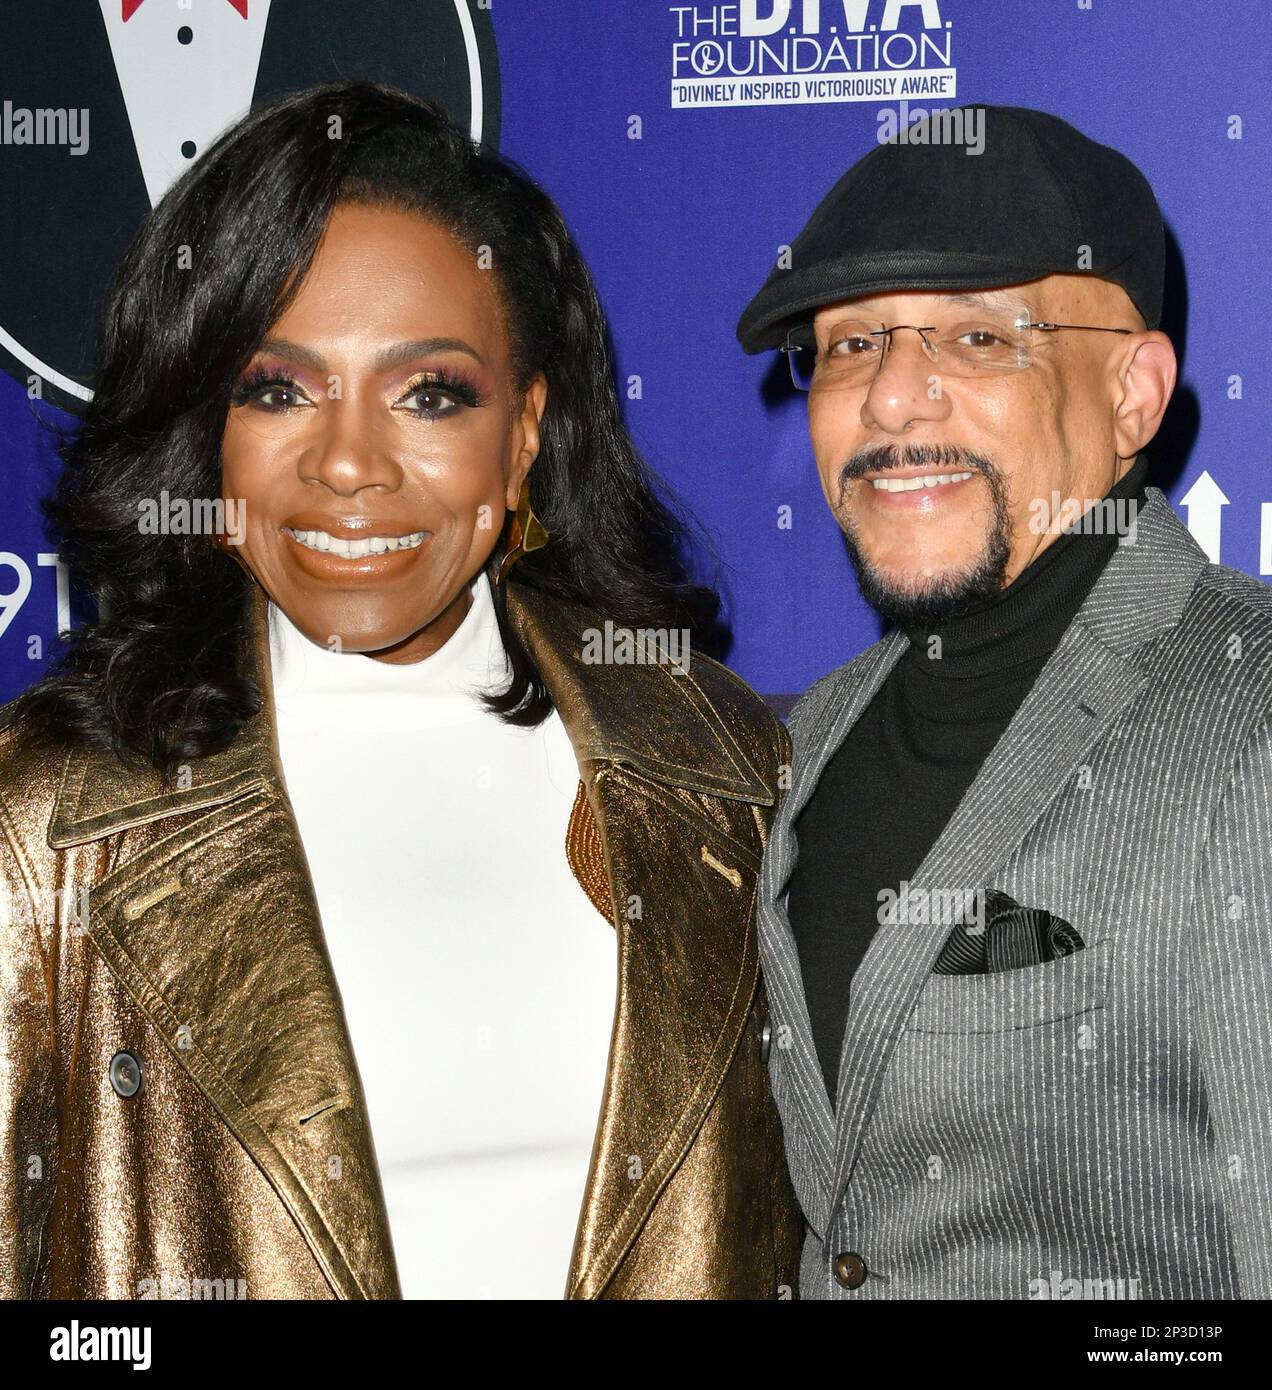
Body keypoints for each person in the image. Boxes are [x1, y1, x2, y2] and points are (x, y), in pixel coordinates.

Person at [0, 79, 803, 1300]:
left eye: (431, 392)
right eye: (276, 388)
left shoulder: (721, 762)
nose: (348, 463)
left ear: (525, 431)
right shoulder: (50, 823)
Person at [736, 103, 1272, 1299]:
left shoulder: (1253, 718)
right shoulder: (800, 741)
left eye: (979, 341)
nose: (890, 400)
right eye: (850, 345)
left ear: (1134, 394)